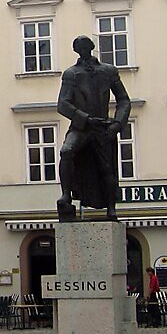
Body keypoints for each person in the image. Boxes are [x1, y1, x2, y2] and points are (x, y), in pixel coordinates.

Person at [55, 35, 131, 221]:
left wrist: (117, 124)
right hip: (81, 127)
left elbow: (124, 100)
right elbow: (62, 104)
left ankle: (111, 208)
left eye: (85, 46)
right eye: (78, 47)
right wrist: (85, 119)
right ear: (76, 51)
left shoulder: (108, 71)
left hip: (103, 127)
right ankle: (66, 194)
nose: (82, 50)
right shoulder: (71, 74)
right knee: (66, 151)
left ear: (91, 47)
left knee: (107, 168)